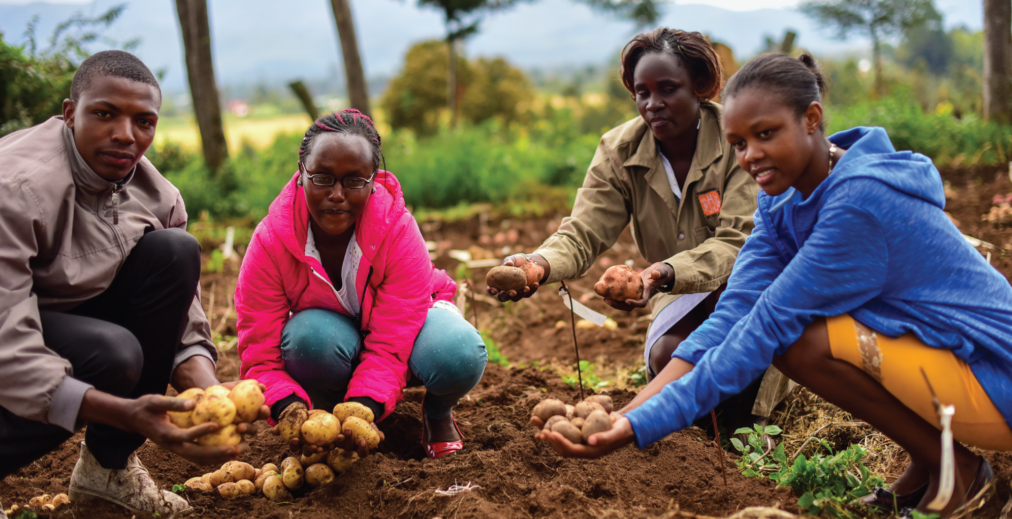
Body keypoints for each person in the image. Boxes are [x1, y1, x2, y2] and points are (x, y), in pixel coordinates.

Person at [535, 52, 1012, 518]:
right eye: (739, 143)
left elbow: (761, 329)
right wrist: (630, 412)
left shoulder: (858, 203)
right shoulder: (781, 200)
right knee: (789, 335)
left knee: (797, 341)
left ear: (811, 119)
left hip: (1003, 382)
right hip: (950, 361)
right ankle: (932, 459)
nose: (751, 157)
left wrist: (637, 428)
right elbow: (732, 315)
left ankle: (958, 470)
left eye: (765, 134)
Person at [487, 28, 792, 435]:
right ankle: (700, 437)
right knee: (670, 353)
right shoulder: (620, 150)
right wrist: (538, 265)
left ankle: (749, 429)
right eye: (641, 92)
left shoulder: (735, 139)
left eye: (668, 89)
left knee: (740, 356)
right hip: (683, 293)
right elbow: (584, 230)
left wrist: (659, 273)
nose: (652, 104)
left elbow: (739, 241)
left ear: (700, 86)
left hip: (752, 286)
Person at [0, 51, 265, 519]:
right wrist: (123, 412)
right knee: (112, 353)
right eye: (104, 114)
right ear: (69, 114)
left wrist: (210, 397)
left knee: (175, 250)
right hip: (9, 336)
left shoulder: (158, 197)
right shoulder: (15, 188)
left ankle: (108, 471)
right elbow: (8, 345)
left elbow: (182, 321)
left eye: (144, 121)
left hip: (53, 324)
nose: (126, 135)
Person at [235, 109, 487, 459]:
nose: (337, 194)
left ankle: (437, 412)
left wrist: (361, 410)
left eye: (354, 181)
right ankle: (326, 410)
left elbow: (390, 343)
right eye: (322, 178)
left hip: (409, 332)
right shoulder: (270, 241)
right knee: (307, 339)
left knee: (456, 350)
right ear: (301, 173)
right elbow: (260, 353)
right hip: (337, 340)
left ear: (373, 180)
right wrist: (290, 409)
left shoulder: (397, 229)